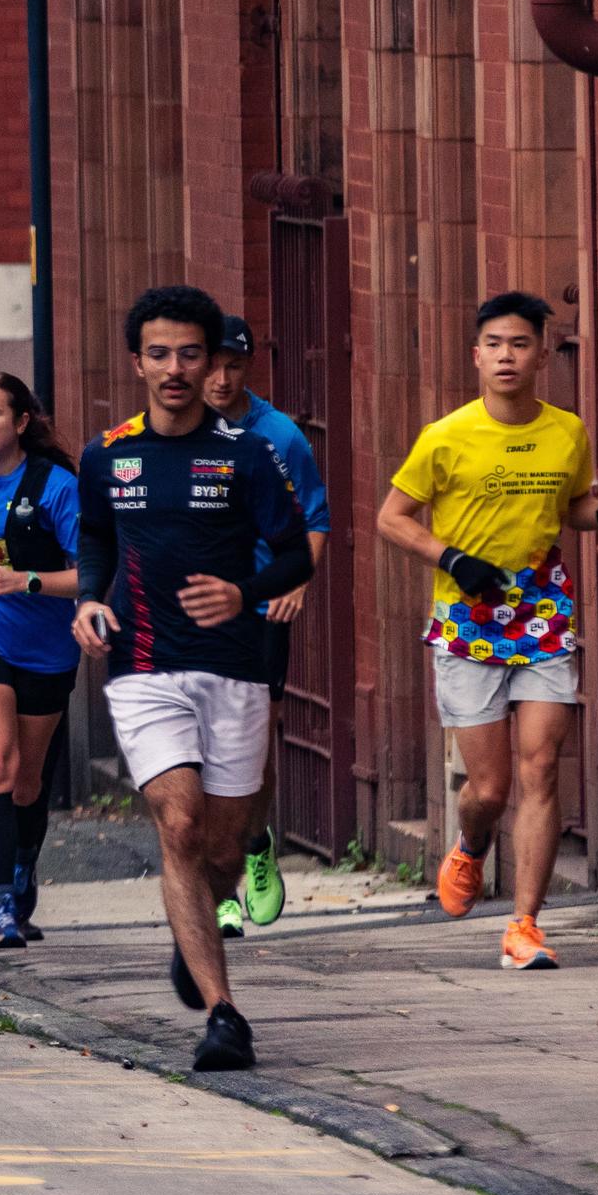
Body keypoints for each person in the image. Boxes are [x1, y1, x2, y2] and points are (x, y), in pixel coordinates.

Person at [73, 285, 314, 1073]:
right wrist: (86, 600)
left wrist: (243, 592)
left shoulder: (247, 454)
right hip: (144, 668)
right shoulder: (108, 454)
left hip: (234, 667)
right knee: (177, 823)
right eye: (159, 353)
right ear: (136, 360)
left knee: (223, 842)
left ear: (212, 362)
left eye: (190, 353)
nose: (175, 368)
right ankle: (224, 1013)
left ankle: (194, 931)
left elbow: (293, 552)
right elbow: (100, 541)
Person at [378, 291, 598, 972]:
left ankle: (524, 925)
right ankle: (470, 846)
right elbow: (392, 516)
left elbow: (572, 502)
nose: (506, 355)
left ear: (542, 354)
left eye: (520, 343)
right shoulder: (445, 435)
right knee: (490, 788)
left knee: (543, 766)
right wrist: (450, 557)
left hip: (543, 611)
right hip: (469, 618)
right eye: (494, 343)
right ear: (477, 354)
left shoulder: (567, 431)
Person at [202, 315, 331, 936]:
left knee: (247, 748)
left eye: (234, 365)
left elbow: (314, 517)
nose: (222, 378)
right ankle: (218, 887)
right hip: (188, 612)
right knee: (195, 750)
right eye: (213, 364)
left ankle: (254, 841)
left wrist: (299, 580)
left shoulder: (280, 435)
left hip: (258, 610)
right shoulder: (169, 434)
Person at [0, 373, 82, 948]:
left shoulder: (55, 486)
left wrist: (29, 581)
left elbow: (92, 574)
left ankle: (23, 868)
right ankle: (2, 907)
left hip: (47, 650)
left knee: (27, 782)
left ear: (21, 422)